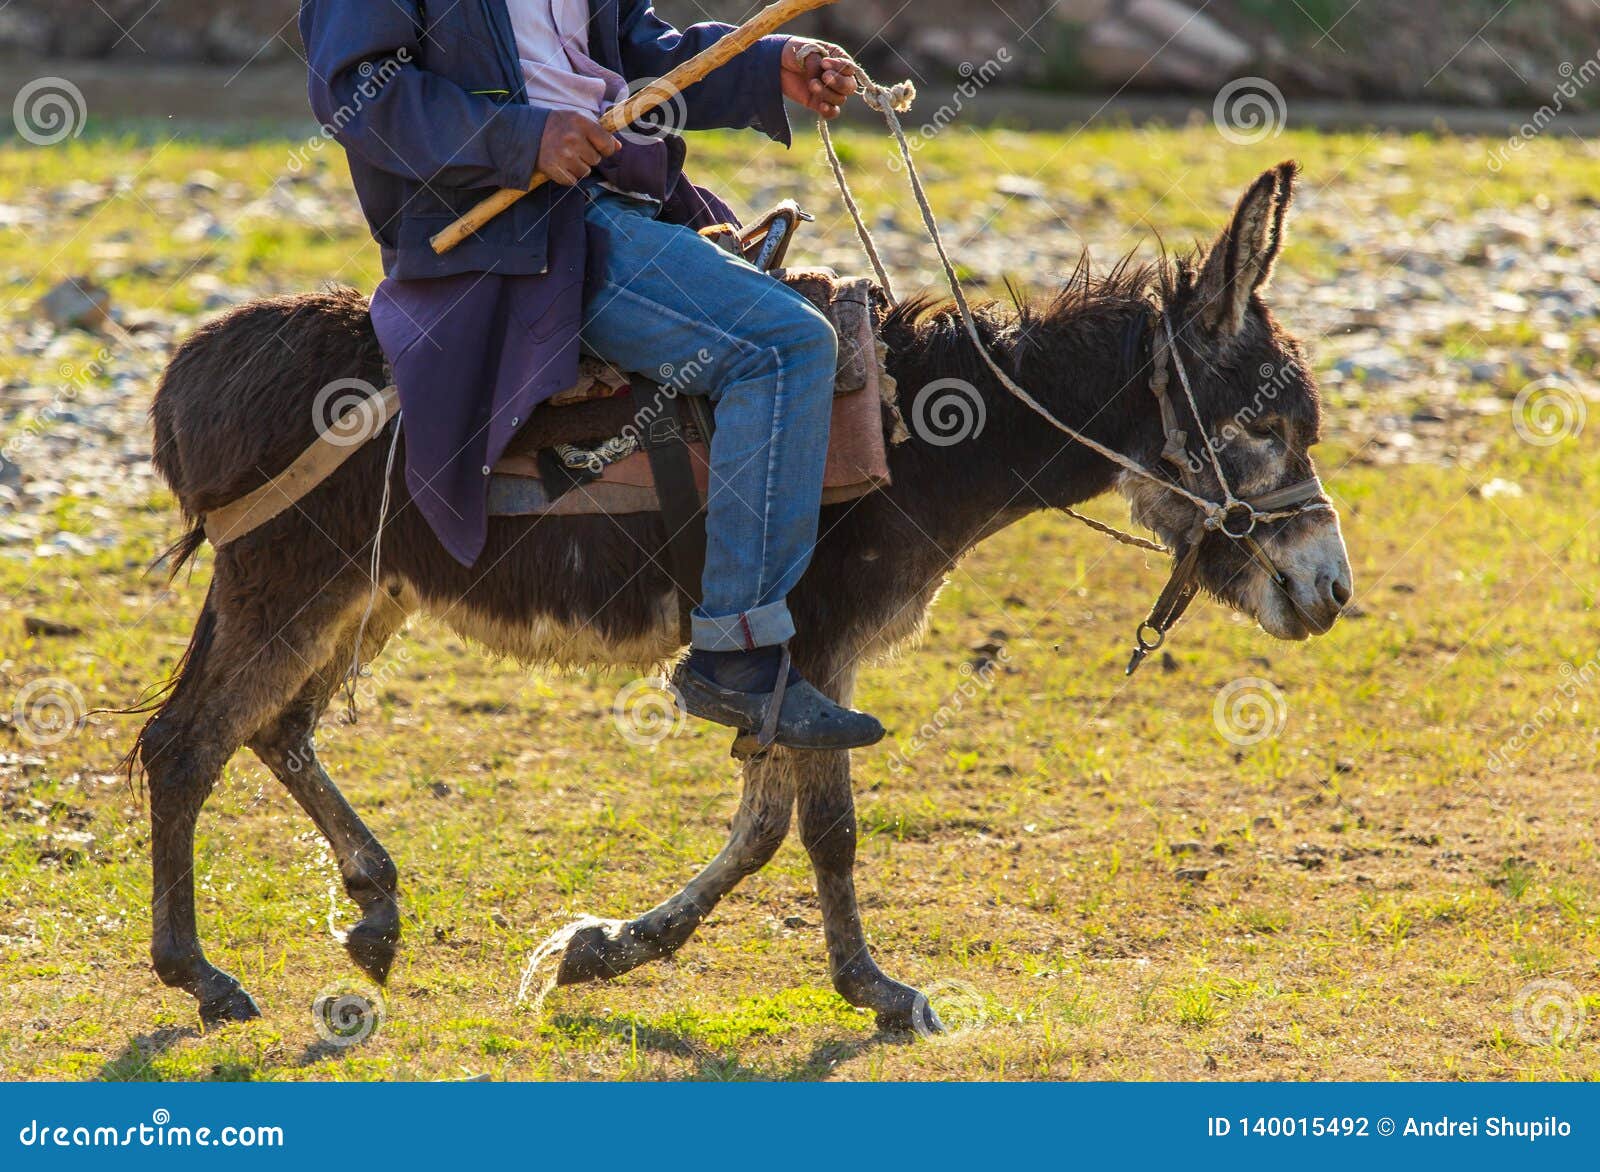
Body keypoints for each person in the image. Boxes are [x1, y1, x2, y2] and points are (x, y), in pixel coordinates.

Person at [299, 1, 884, 750]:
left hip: (625, 204)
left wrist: (765, 64)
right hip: (514, 226)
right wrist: (521, 138)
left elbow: (636, 57)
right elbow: (358, 91)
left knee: (801, 328)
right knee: (786, 345)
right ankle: (736, 655)